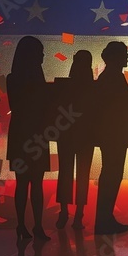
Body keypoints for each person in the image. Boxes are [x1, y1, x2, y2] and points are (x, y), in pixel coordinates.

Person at [93, 41, 128, 235]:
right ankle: (104, 219)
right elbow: (119, 107)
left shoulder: (110, 76)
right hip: (114, 134)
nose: (127, 58)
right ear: (115, 57)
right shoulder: (113, 77)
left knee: (111, 174)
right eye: (124, 54)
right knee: (112, 174)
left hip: (112, 134)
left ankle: (105, 218)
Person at [7, 36, 51, 241]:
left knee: (23, 183)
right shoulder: (35, 80)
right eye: (40, 52)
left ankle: (23, 225)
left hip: (21, 135)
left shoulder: (12, 78)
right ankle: (36, 226)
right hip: (36, 135)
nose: (42, 56)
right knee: (35, 183)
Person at [54, 50, 95, 230]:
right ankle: (78, 214)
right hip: (85, 134)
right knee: (82, 174)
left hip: (66, 133)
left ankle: (65, 212)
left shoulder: (64, 86)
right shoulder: (92, 88)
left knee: (65, 172)